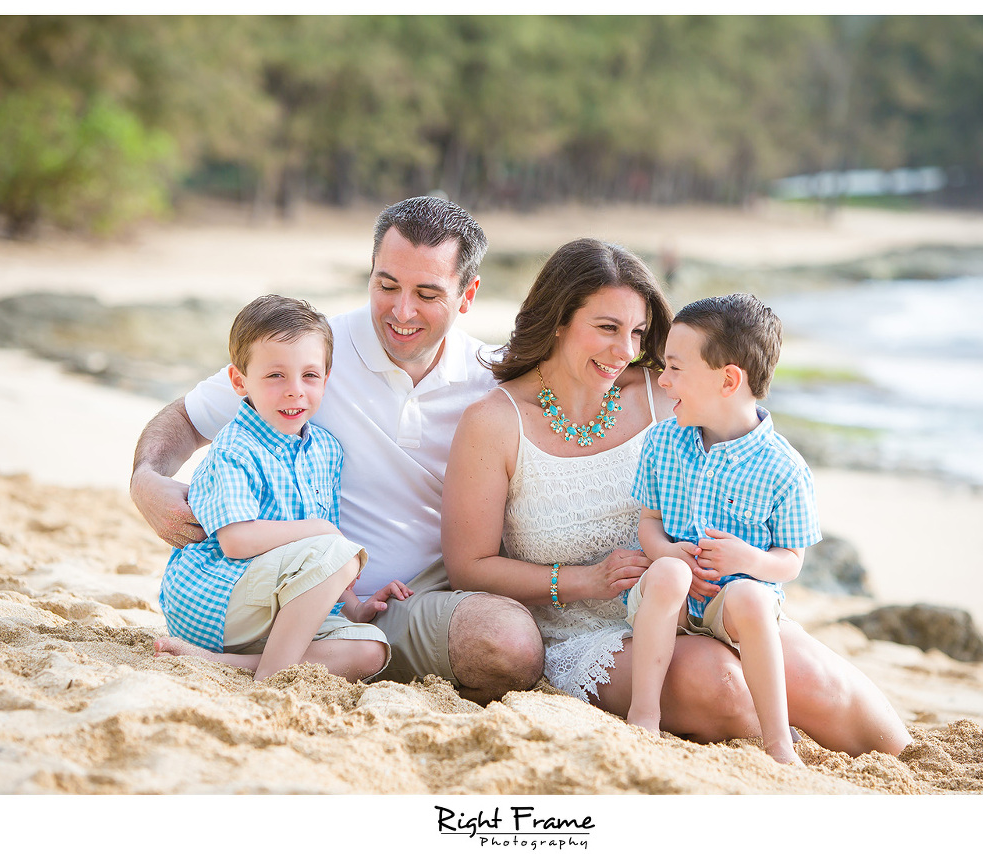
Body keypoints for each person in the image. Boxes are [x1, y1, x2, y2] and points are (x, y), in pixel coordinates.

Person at [442, 238, 912, 756]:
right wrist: (583, 581)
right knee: (723, 688)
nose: (625, 350)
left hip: (707, 600)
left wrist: (741, 559)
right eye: (606, 328)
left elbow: (746, 443)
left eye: (638, 332)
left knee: (826, 688)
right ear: (557, 319)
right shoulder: (493, 421)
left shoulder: (664, 392)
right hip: (587, 631)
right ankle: (780, 744)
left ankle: (920, 779)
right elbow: (469, 566)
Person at [131, 196, 545, 703]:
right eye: (386, 285)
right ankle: (280, 662)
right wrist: (146, 480)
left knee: (512, 647)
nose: (402, 311)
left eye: (428, 293)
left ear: (468, 295)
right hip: (296, 599)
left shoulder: (495, 375)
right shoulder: (309, 351)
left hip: (410, 601)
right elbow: (186, 418)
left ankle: (262, 664)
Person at [156, 295, 413, 682]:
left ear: (326, 379)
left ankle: (231, 666)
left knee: (371, 650)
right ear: (240, 381)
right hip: (215, 599)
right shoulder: (236, 448)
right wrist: (323, 532)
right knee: (339, 551)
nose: (295, 390)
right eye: (276, 376)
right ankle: (271, 677)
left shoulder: (326, 450)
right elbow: (237, 541)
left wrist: (354, 607)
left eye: (309, 376)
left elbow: (319, 559)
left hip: (271, 609)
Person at [624, 294, 818, 765]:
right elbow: (648, 524)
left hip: (731, 610)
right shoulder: (662, 441)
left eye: (674, 368)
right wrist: (669, 553)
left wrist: (750, 562)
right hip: (666, 601)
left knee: (754, 596)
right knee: (670, 573)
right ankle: (642, 714)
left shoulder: (784, 468)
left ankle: (778, 743)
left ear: (729, 379)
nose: (662, 381)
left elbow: (790, 561)